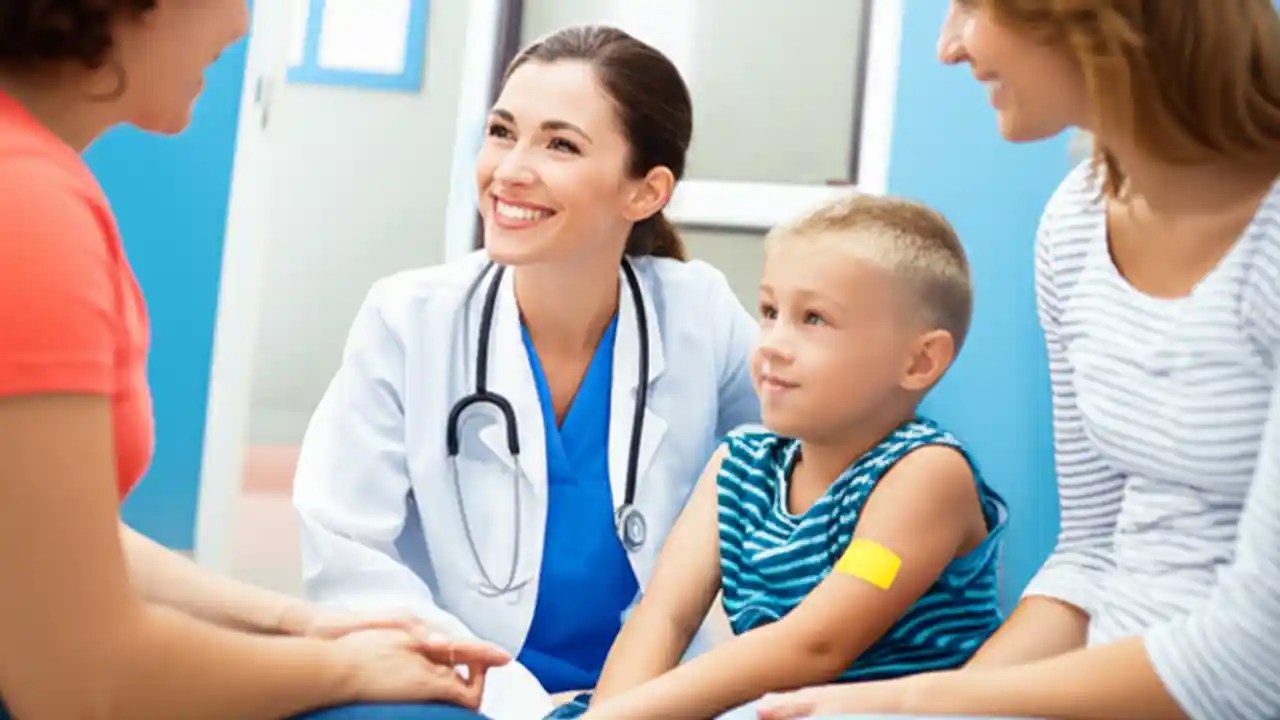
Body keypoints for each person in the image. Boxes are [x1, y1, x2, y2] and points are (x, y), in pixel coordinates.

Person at [757, 1, 1280, 718]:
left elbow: (1256, 661)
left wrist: (913, 703)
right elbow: (1091, 559)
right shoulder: (1074, 224)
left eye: (972, 4)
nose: (949, 47)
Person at [0, 2, 511, 718]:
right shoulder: (26, 206)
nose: (243, 26)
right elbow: (79, 678)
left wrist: (298, 622)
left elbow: (41, 538)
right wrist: (339, 668)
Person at [290, 24, 761, 719]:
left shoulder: (698, 314)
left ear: (645, 192)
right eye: (502, 131)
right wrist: (523, 706)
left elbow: (801, 461)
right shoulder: (410, 317)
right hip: (454, 681)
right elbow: (346, 549)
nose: (509, 169)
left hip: (648, 692)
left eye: (560, 144)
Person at [539, 194, 1009, 720]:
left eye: (814, 319)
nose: (773, 344)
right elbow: (664, 616)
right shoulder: (739, 465)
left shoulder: (925, 474)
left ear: (919, 361)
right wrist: (610, 711)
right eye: (769, 312)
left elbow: (813, 646)